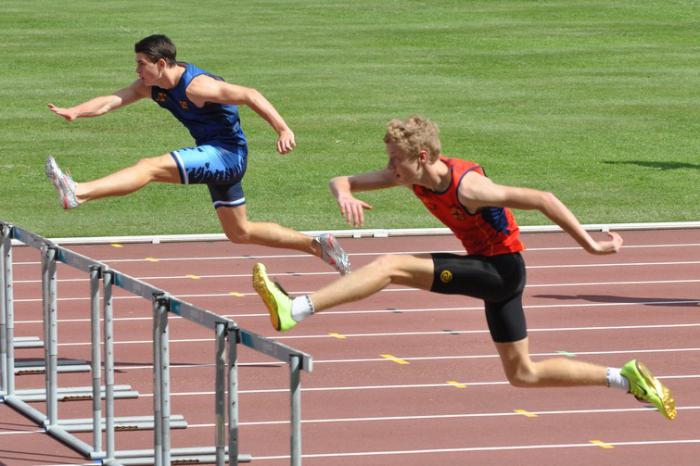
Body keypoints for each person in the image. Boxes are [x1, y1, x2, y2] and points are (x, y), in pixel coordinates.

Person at [252, 115, 676, 420]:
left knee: (391, 265)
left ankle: (297, 308)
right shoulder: (409, 175)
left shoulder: (470, 187)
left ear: (421, 155)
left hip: (501, 269)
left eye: (395, 159)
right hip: (491, 271)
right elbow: (341, 180)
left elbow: (544, 198)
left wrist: (592, 247)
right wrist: (343, 193)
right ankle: (624, 379)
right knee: (523, 374)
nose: (388, 168)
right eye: (388, 159)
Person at [45, 34, 349, 275]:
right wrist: (76, 111)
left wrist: (283, 129)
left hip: (226, 155)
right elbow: (112, 100)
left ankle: (79, 192)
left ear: (161, 63)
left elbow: (250, 94)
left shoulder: (198, 86)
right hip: (214, 156)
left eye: (141, 64)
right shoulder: (152, 87)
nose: (137, 70)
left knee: (149, 167)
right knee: (239, 232)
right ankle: (317, 246)